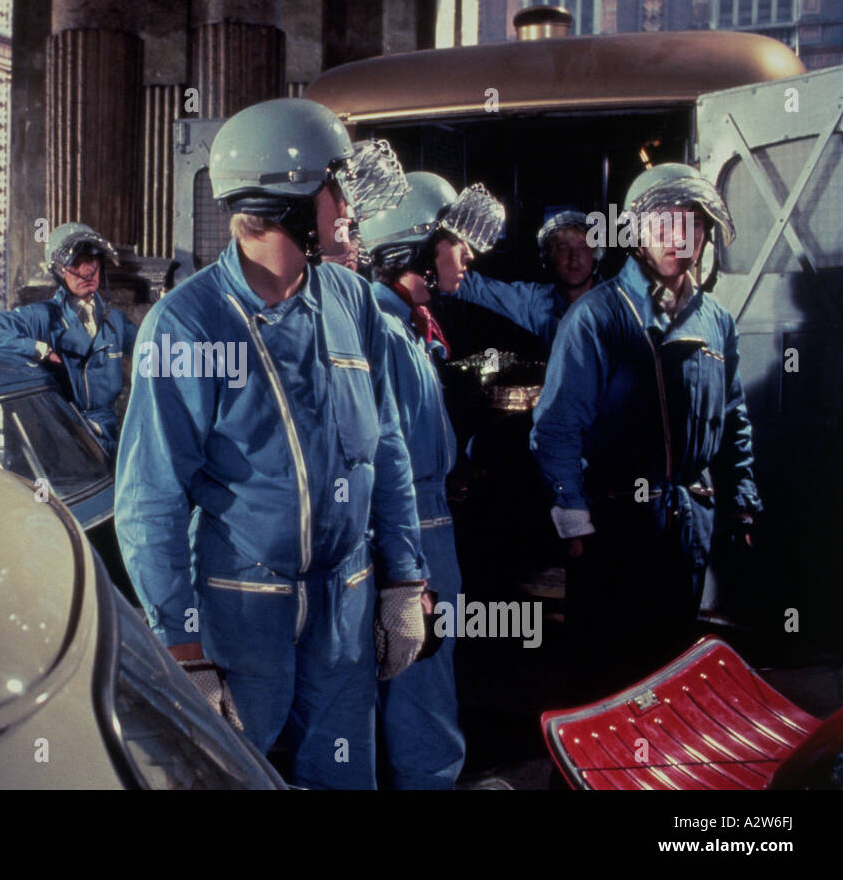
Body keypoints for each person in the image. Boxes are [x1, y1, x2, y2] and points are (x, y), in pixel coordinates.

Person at [115, 98, 427, 790]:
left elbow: (388, 448)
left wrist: (404, 576)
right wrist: (185, 647)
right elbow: (150, 500)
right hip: (239, 615)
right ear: (285, 199)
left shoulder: (351, 300)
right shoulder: (188, 326)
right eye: (334, 185)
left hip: (345, 610)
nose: (348, 204)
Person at [530, 163, 761, 696]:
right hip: (615, 528)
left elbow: (734, 417)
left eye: (694, 225)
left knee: (675, 675)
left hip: (688, 529)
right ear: (636, 233)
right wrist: (575, 521)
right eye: (666, 224)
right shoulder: (596, 317)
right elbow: (555, 429)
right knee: (607, 682)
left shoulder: (716, 320)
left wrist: (742, 500)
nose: (681, 238)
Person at [360, 172, 505, 789]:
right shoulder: (388, 334)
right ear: (415, 247)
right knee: (422, 678)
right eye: (454, 241)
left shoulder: (411, 330)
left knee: (424, 673)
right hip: (413, 527)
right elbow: (383, 459)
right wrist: (408, 570)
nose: (466, 256)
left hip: (427, 521)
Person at [0, 223, 138, 459]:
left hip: (110, 440)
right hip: (64, 444)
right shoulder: (42, 317)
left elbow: (151, 349)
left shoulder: (115, 321)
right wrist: (38, 349)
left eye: (93, 261)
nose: (87, 271)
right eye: (76, 263)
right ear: (58, 271)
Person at [446, 210, 600, 352]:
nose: (574, 258)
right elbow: (478, 289)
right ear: (549, 256)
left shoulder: (617, 301)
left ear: (595, 253)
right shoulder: (537, 300)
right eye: (562, 248)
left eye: (583, 247)